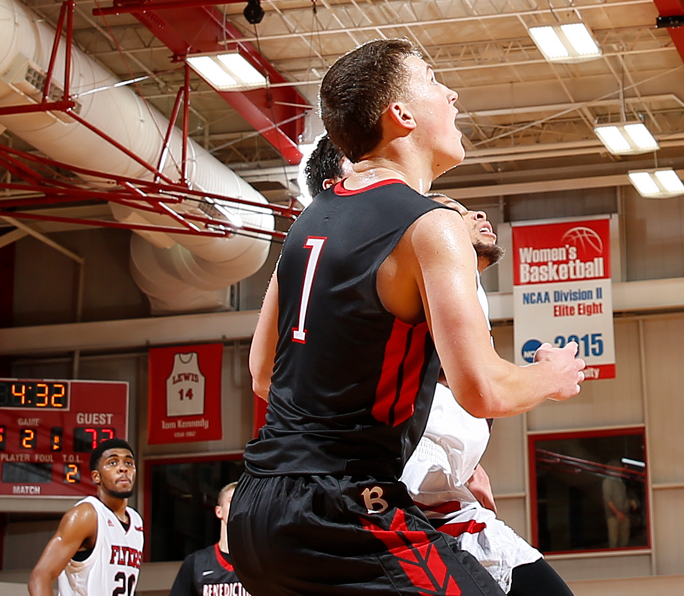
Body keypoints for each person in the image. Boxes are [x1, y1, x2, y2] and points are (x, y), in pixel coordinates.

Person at [230, 39, 587, 596]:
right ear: (401, 114)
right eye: (434, 80)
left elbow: (261, 372)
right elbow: (483, 389)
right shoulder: (431, 226)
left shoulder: (310, 219)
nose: (452, 95)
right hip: (343, 511)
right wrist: (555, 376)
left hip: (257, 508)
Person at [401, 193, 575, 596]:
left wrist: (464, 472)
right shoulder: (433, 278)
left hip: (442, 490)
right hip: (413, 491)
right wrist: (550, 376)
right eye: (454, 210)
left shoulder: (467, 287)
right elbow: (482, 388)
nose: (476, 213)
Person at [28, 439, 142, 596]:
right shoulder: (86, 515)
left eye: (129, 463)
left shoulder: (136, 521)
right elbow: (40, 577)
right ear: (96, 477)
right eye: (113, 462)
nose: (123, 468)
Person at [169, 481, 245, 596]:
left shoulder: (261, 563)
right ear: (219, 511)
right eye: (232, 501)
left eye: (243, 502)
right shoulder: (195, 563)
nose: (238, 506)